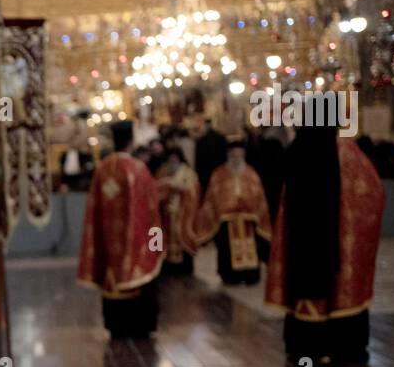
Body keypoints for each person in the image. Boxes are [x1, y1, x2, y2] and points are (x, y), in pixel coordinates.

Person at [266, 121, 384, 362]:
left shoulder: (297, 150)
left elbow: (279, 192)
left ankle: (307, 346)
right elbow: (373, 192)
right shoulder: (348, 153)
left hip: (304, 241)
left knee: (308, 290)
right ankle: (344, 346)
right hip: (339, 241)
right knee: (341, 287)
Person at [77, 120, 163, 339]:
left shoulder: (102, 169)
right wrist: (156, 244)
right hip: (135, 239)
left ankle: (116, 324)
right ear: (132, 142)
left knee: (112, 274)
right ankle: (138, 325)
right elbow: (151, 207)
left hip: (108, 239)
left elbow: (94, 208)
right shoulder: (138, 169)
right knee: (137, 275)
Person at [194, 137, 272, 285]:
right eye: (234, 155)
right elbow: (213, 196)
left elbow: (258, 195)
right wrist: (224, 209)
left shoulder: (251, 173)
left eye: (239, 155)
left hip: (248, 221)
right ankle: (230, 276)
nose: (237, 158)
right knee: (226, 250)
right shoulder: (219, 174)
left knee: (251, 248)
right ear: (229, 155)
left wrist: (249, 208)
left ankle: (250, 275)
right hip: (226, 221)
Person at [154, 146, 200, 275]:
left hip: (182, 214)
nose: (172, 164)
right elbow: (156, 189)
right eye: (170, 161)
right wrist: (167, 187)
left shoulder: (188, 173)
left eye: (175, 161)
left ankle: (185, 267)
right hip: (166, 215)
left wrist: (181, 190)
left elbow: (194, 192)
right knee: (162, 238)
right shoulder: (162, 172)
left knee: (182, 236)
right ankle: (166, 266)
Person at [194, 118, 227, 195]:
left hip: (205, 172)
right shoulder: (221, 138)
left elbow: (198, 160)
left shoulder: (201, 140)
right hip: (219, 169)